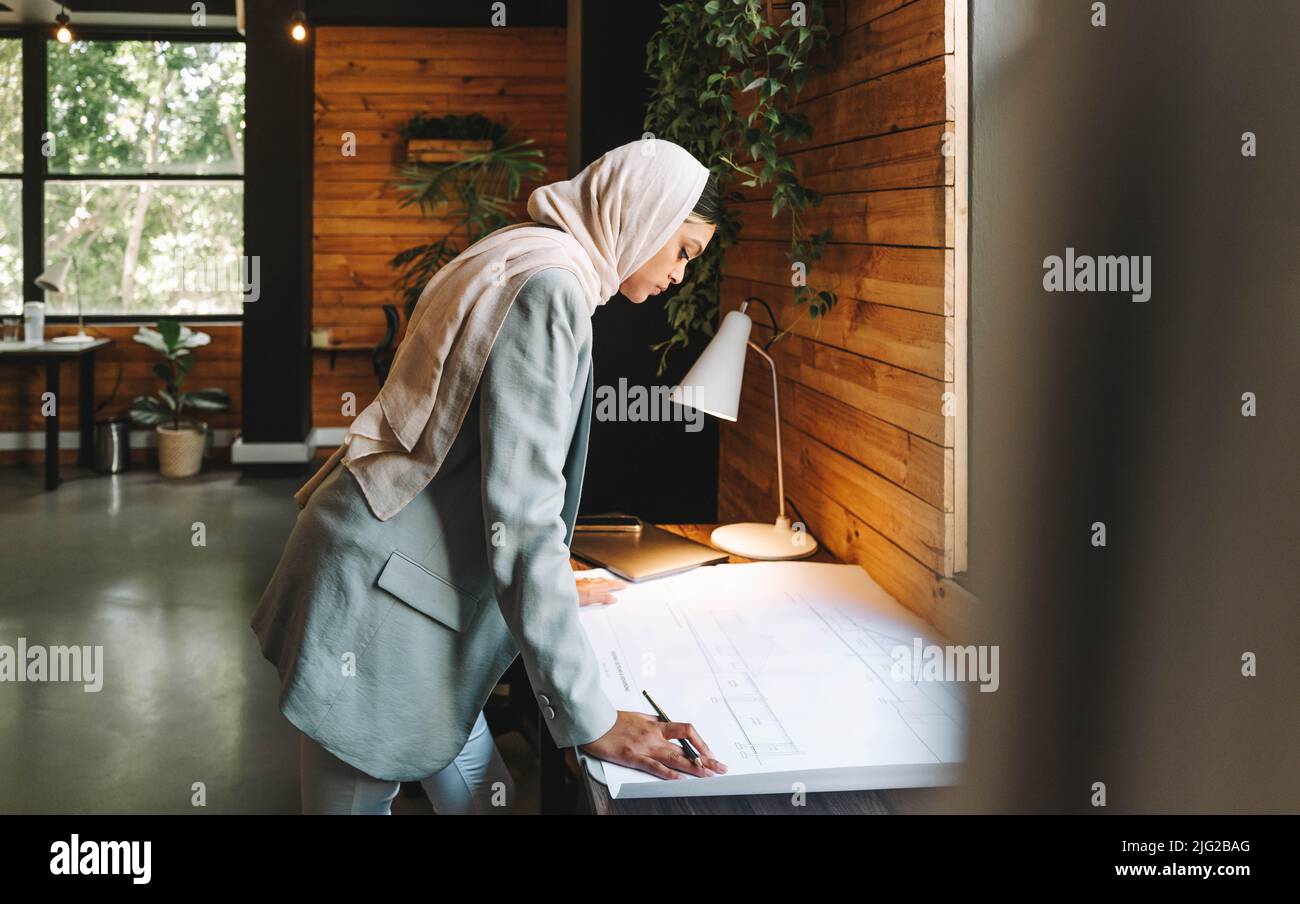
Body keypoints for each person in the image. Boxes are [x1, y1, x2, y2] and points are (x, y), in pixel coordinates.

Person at [250, 138, 729, 814]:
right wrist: (591, 718)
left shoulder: (521, 251)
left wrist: (553, 585)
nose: (680, 275)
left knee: (481, 792)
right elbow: (523, 515)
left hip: (386, 576)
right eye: (683, 250)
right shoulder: (552, 288)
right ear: (644, 213)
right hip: (381, 606)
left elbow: (466, 448)